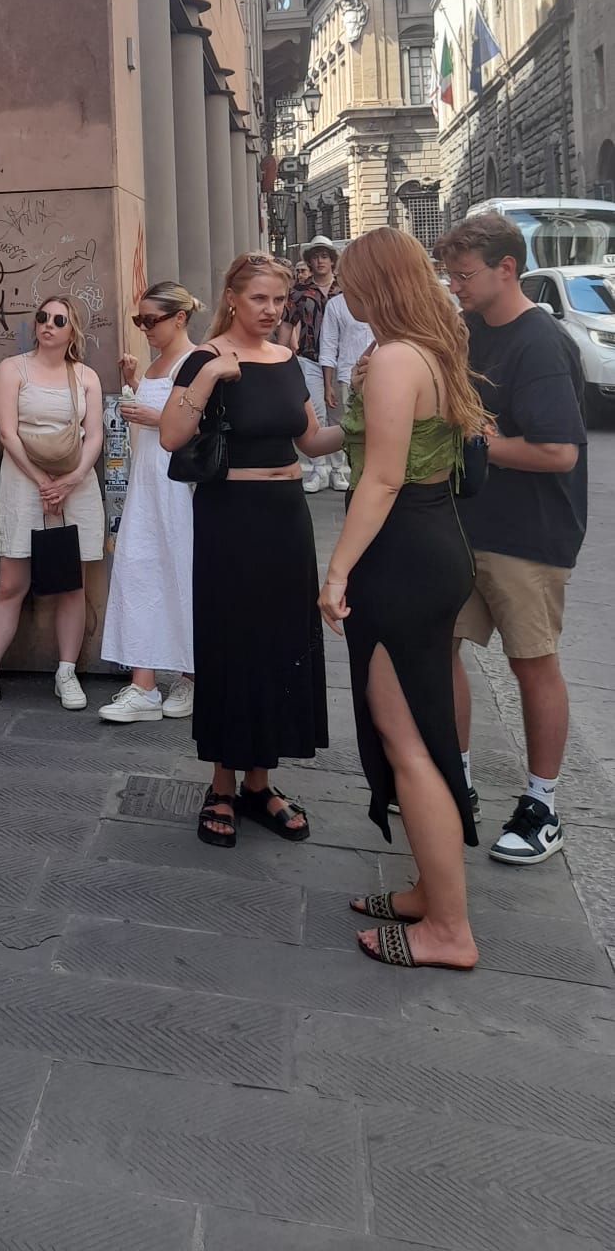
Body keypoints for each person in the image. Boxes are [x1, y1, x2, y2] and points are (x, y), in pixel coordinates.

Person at [320, 228, 486, 972]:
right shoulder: (429, 351)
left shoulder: (395, 358)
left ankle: (449, 929)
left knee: (409, 740)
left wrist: (335, 572)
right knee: (418, 731)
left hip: (401, 555)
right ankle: (431, 892)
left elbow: (381, 480)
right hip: (432, 545)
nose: (342, 294)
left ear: (376, 284)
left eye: (352, 281)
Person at [159, 252, 342, 846]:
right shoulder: (204, 358)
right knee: (231, 643)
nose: (270, 310)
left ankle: (260, 782)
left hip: (287, 521)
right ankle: (221, 782)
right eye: (259, 298)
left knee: (280, 644)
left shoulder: (290, 361)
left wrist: (374, 415)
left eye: (278, 300)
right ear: (232, 298)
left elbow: (312, 440)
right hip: (229, 521)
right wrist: (210, 376)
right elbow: (170, 435)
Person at [436, 214, 587, 865]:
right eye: (450, 275)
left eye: (464, 275)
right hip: (469, 523)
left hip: (530, 534)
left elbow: (559, 452)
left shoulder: (540, 341)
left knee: (532, 664)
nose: (455, 286)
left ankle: (542, 804)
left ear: (506, 268)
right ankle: (456, 779)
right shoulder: (467, 331)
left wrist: (479, 443)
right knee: (440, 644)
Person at [0, 297, 105, 712]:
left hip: (76, 486)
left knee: (71, 584)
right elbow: (7, 433)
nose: (48, 324)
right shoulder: (13, 369)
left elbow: (95, 436)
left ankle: (66, 673)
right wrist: (44, 483)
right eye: (42, 317)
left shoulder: (85, 376)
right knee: (12, 581)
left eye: (59, 320)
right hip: (24, 483)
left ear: (72, 331)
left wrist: (68, 481)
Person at [99, 282, 200, 724]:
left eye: (151, 321)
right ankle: (142, 683)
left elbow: (206, 426)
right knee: (139, 570)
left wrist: (154, 416)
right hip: (146, 484)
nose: (144, 328)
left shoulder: (197, 361)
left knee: (182, 572)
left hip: (180, 487)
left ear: (180, 317)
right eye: (139, 320)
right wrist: (135, 384)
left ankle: (190, 675)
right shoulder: (160, 363)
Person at [282, 235, 349, 492]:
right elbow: (287, 322)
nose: (320, 261)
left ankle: (338, 469)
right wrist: (281, 353)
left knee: (339, 414)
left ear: (332, 260)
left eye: (324, 256)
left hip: (341, 359)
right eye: (315, 257)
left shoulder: (344, 289)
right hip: (309, 358)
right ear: (309, 261)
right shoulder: (299, 291)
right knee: (315, 413)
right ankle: (319, 469)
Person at [320, 283, 374, 454]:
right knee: (352, 429)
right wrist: (327, 384)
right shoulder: (336, 304)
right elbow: (328, 344)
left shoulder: (387, 301)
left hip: (384, 376)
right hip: (348, 376)